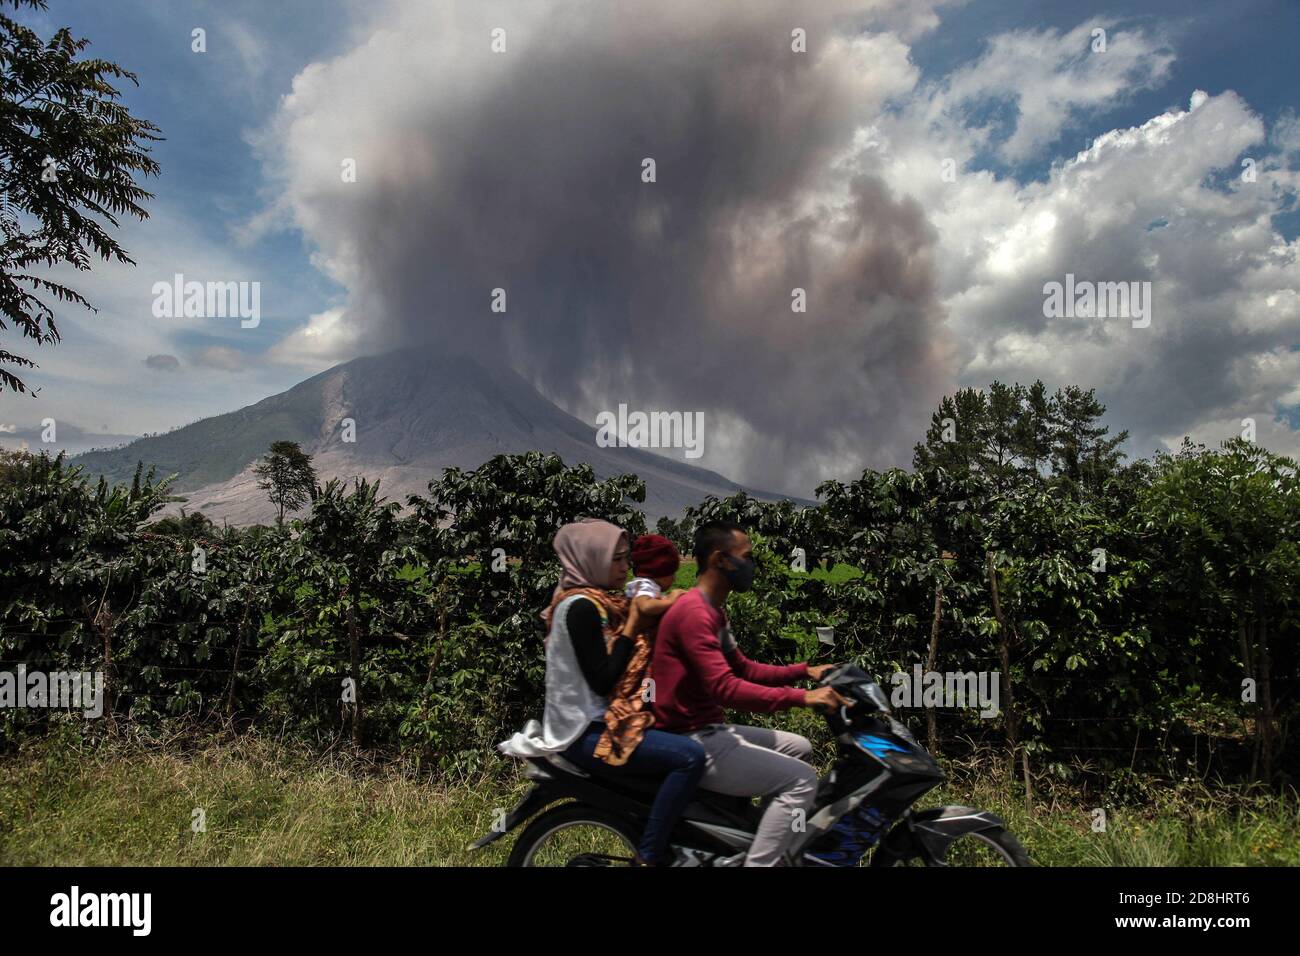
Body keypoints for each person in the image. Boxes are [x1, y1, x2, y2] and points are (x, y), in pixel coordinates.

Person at [499, 518, 705, 866]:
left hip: (594, 723)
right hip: (584, 733)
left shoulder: (594, 603)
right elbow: (603, 680)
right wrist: (632, 631)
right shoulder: (580, 608)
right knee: (689, 758)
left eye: (627, 558)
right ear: (592, 559)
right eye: (618, 559)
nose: (626, 567)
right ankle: (650, 856)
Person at [650, 520, 848, 866]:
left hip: (708, 729)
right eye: (746, 557)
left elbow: (743, 668)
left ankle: (755, 839)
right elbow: (726, 688)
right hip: (691, 737)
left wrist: (804, 671)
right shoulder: (695, 614)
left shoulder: (713, 611)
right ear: (719, 559)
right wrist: (802, 697)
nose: (751, 566)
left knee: (801, 748)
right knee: (802, 781)